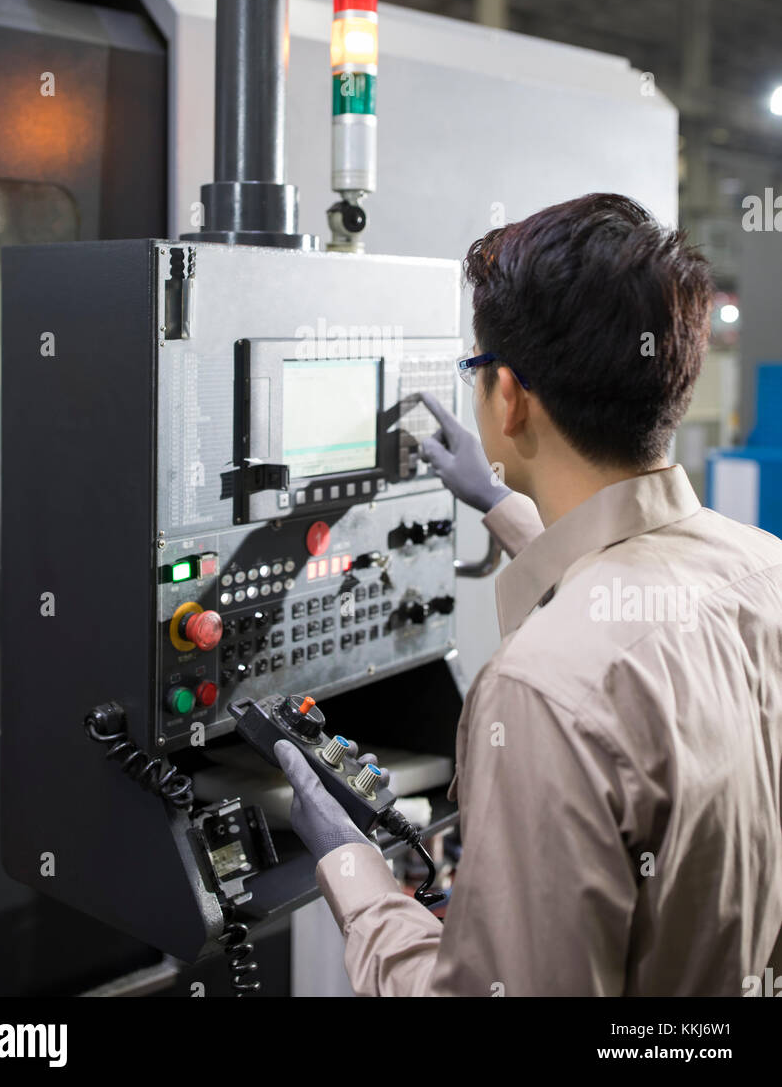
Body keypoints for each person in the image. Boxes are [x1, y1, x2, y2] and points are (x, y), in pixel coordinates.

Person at [276, 193, 782, 997]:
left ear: (507, 397)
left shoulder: (542, 690)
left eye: (477, 372)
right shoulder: (763, 569)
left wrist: (356, 878)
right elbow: (634, 591)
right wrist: (506, 502)